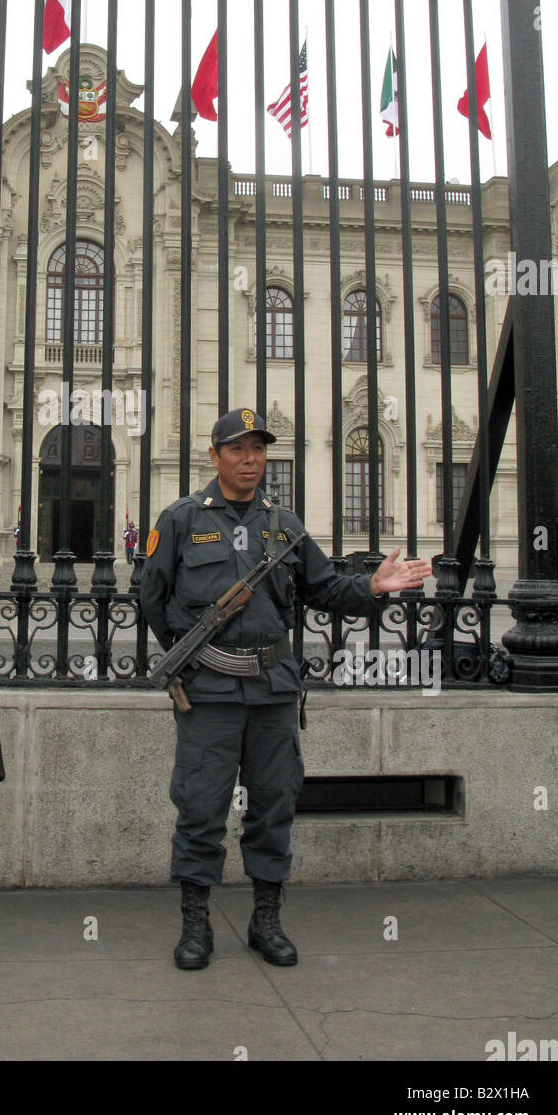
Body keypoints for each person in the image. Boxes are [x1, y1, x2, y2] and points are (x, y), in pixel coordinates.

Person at [139, 407, 432, 971]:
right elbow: (153, 597)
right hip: (210, 695)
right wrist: (190, 653)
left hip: (273, 691)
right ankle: (196, 924)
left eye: (258, 450)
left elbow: (323, 589)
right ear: (215, 456)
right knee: (200, 808)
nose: (251, 460)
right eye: (238, 450)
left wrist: (372, 585)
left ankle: (265, 919)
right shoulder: (180, 520)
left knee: (273, 805)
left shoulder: (284, 525)